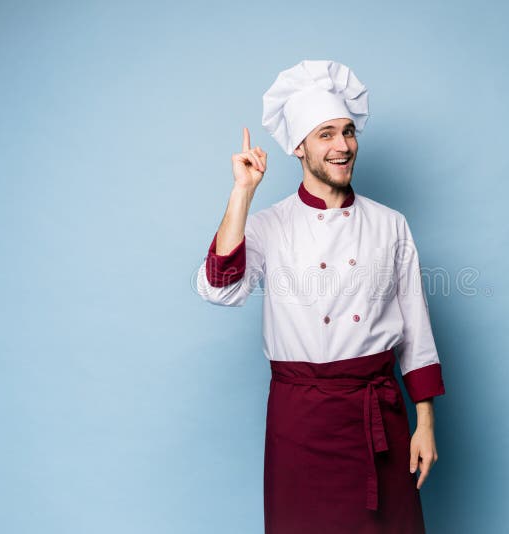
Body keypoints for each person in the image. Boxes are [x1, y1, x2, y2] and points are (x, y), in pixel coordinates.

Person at [196, 59, 446, 534]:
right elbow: (219, 288)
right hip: (301, 420)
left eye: (348, 132)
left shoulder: (389, 223)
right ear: (299, 147)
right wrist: (242, 193)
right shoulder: (270, 225)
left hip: (380, 417)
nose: (343, 146)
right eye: (326, 134)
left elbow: (416, 327)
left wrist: (426, 422)